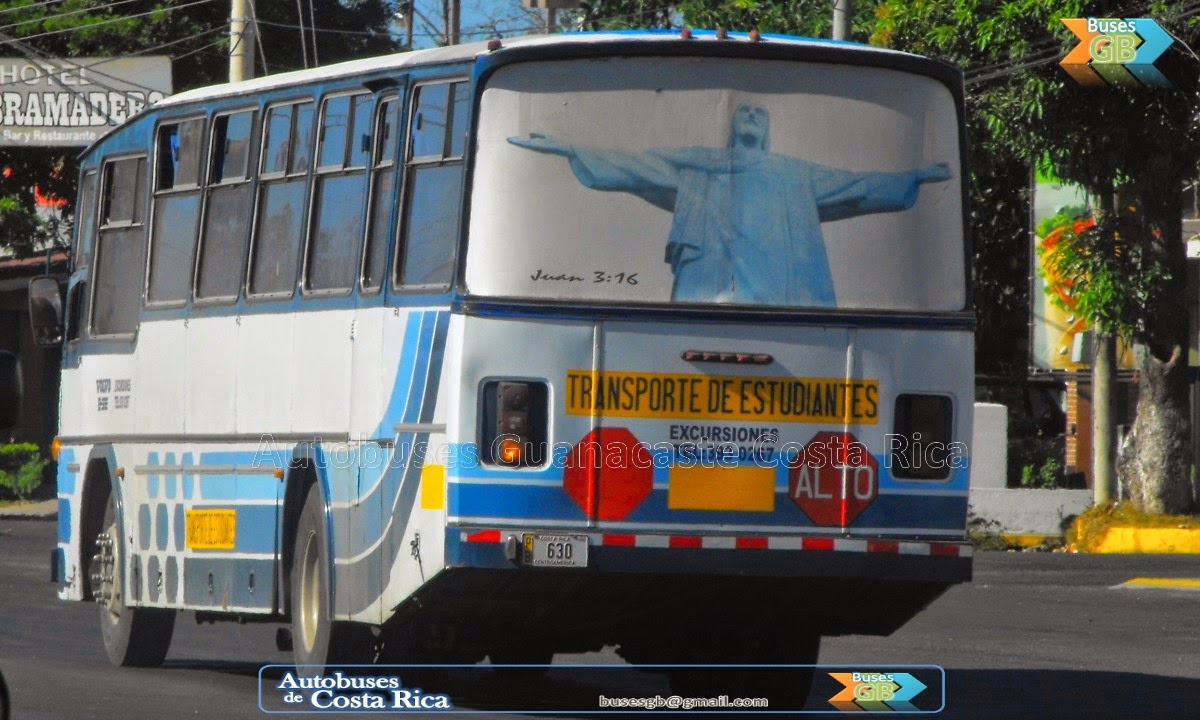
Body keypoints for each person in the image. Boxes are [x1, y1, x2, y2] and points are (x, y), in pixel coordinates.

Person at [509, 103, 952, 306]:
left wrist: (911, 176)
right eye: (743, 113)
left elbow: (853, 186)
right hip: (708, 286)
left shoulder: (793, 174)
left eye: (759, 115)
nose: (751, 119)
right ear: (733, 125)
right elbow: (636, 167)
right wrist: (569, 149)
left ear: (768, 130)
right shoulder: (698, 167)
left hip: (780, 293)